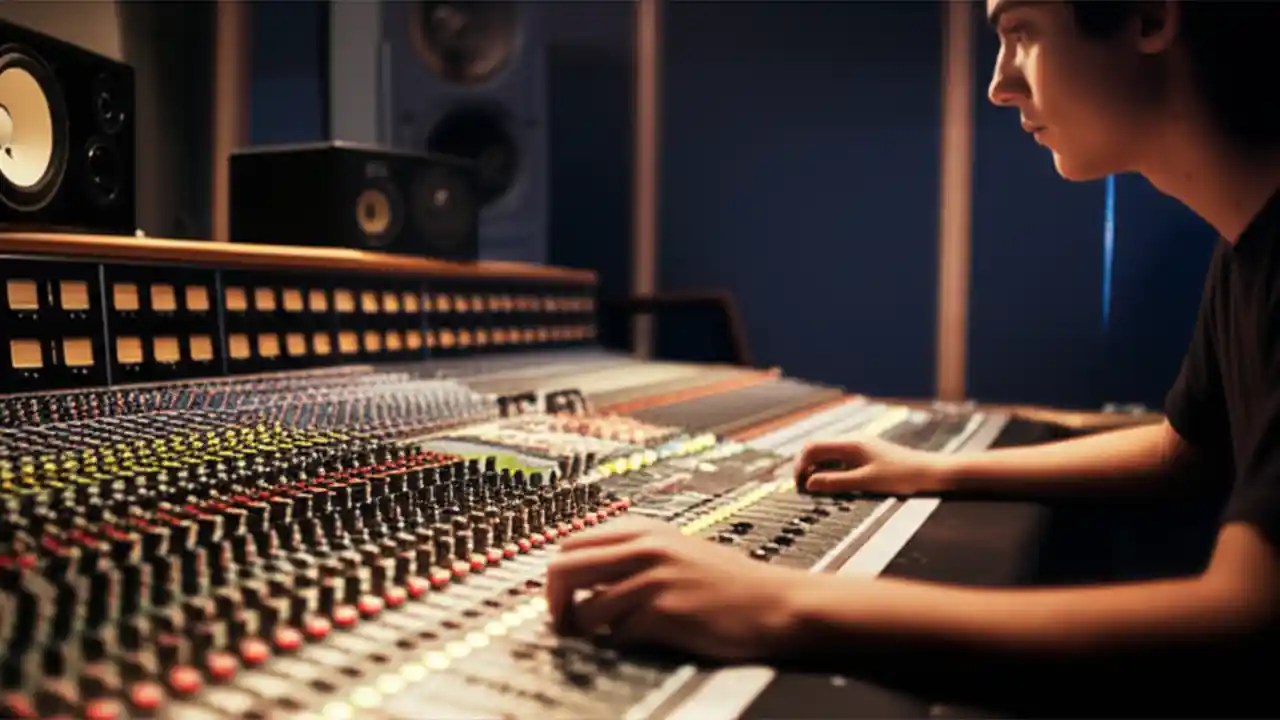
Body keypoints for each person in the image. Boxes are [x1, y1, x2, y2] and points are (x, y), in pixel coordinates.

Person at [546, 0, 1280, 712]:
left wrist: (783, 602)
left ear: (1151, 17)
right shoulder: (1246, 245)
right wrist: (940, 469)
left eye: (1021, 31)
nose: (1000, 82)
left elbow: (1243, 621)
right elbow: (1187, 450)